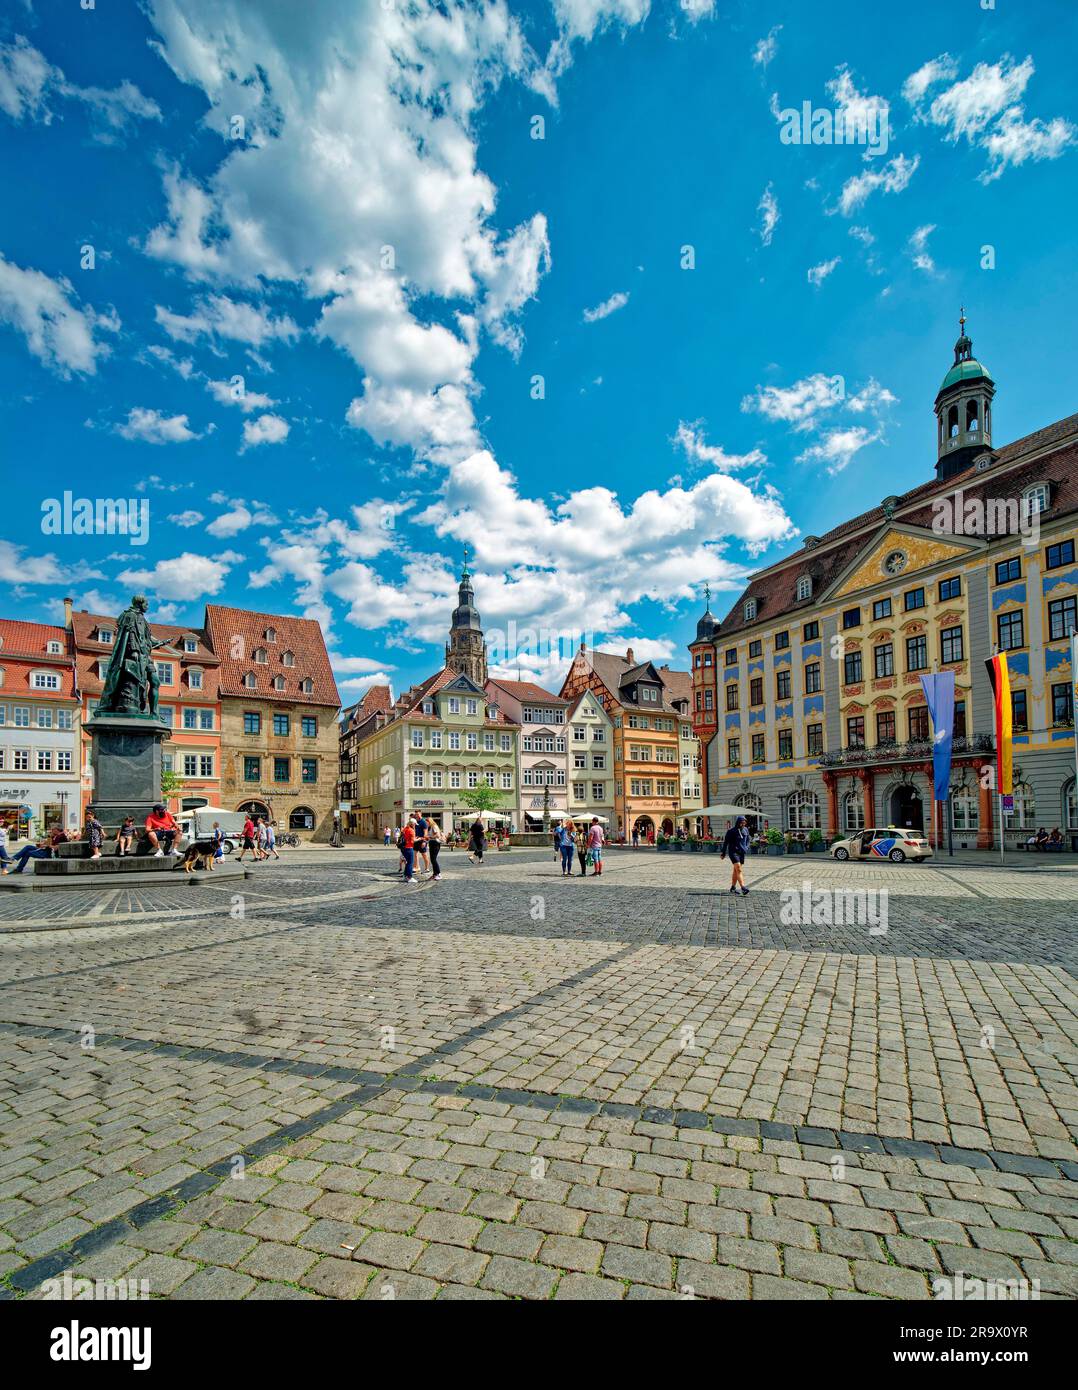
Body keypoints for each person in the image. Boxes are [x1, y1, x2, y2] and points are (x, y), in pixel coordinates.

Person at [721, 815, 751, 895]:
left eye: (744, 823)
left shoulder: (746, 830)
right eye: (742, 823)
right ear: (738, 822)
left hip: (742, 852)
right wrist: (723, 853)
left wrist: (746, 847)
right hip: (733, 852)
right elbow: (726, 842)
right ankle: (743, 888)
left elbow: (748, 839)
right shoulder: (731, 831)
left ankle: (733, 887)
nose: (743, 824)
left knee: (736, 870)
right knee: (739, 868)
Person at [400, 817, 417, 884]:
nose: (415, 825)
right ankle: (409, 877)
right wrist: (420, 839)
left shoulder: (405, 829)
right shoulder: (411, 830)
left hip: (403, 848)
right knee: (410, 862)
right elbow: (413, 841)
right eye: (415, 824)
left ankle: (405, 876)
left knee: (408, 862)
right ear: (412, 824)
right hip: (409, 847)